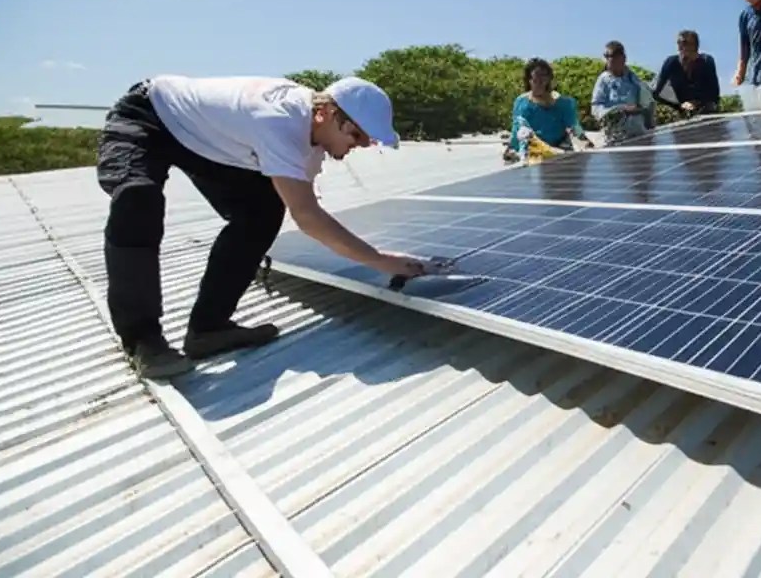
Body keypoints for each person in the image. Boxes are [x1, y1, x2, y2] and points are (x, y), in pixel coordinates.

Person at [97, 75, 431, 379]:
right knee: (137, 200)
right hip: (147, 117)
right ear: (325, 113)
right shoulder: (279, 121)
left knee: (263, 211)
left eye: (368, 141)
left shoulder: (308, 145)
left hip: (208, 144)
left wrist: (374, 257)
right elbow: (309, 218)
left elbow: (305, 205)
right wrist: (381, 260)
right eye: (356, 134)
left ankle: (208, 330)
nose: (359, 146)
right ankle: (143, 340)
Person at [503, 57, 594, 163]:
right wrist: (510, 149)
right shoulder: (522, 103)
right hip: (534, 149)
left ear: (549, 79)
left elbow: (575, 128)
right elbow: (517, 131)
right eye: (536, 78)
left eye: (544, 77)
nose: (540, 82)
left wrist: (587, 144)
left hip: (559, 149)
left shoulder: (564, 104)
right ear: (529, 80)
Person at [591, 40, 653, 145]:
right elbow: (595, 108)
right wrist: (619, 110)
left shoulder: (633, 79)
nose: (608, 60)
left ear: (623, 58)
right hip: (615, 137)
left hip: (638, 133)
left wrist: (641, 111)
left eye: (610, 56)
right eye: (606, 57)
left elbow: (646, 103)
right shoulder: (603, 80)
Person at [650, 30, 722, 116]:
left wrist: (697, 103)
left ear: (695, 47)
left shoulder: (707, 61)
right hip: (684, 111)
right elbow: (656, 92)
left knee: (710, 106)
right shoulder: (671, 63)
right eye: (680, 44)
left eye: (686, 44)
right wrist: (678, 106)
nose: (683, 48)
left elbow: (714, 94)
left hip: (706, 109)